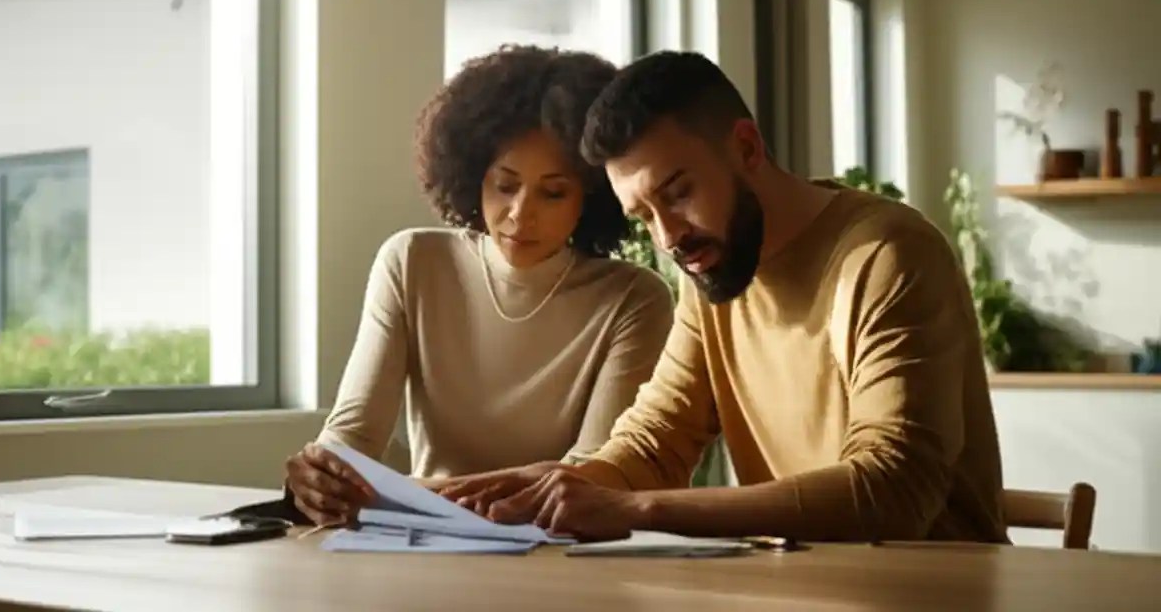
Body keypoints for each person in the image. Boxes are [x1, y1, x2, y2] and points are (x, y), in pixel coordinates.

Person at [448, 50, 1009, 544]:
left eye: (679, 193)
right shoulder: (713, 273)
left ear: (745, 146)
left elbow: (894, 489)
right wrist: (547, 491)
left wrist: (636, 509)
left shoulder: (887, 255)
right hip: (799, 593)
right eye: (644, 217)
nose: (668, 236)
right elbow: (653, 444)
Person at [283, 45, 675, 527]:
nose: (520, 215)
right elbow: (349, 441)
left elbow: (589, 478)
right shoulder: (412, 263)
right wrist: (319, 477)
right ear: (473, 176)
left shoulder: (634, 300)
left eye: (553, 192)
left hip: (559, 556)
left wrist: (387, 492)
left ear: (592, 196)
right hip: (418, 548)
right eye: (505, 185)